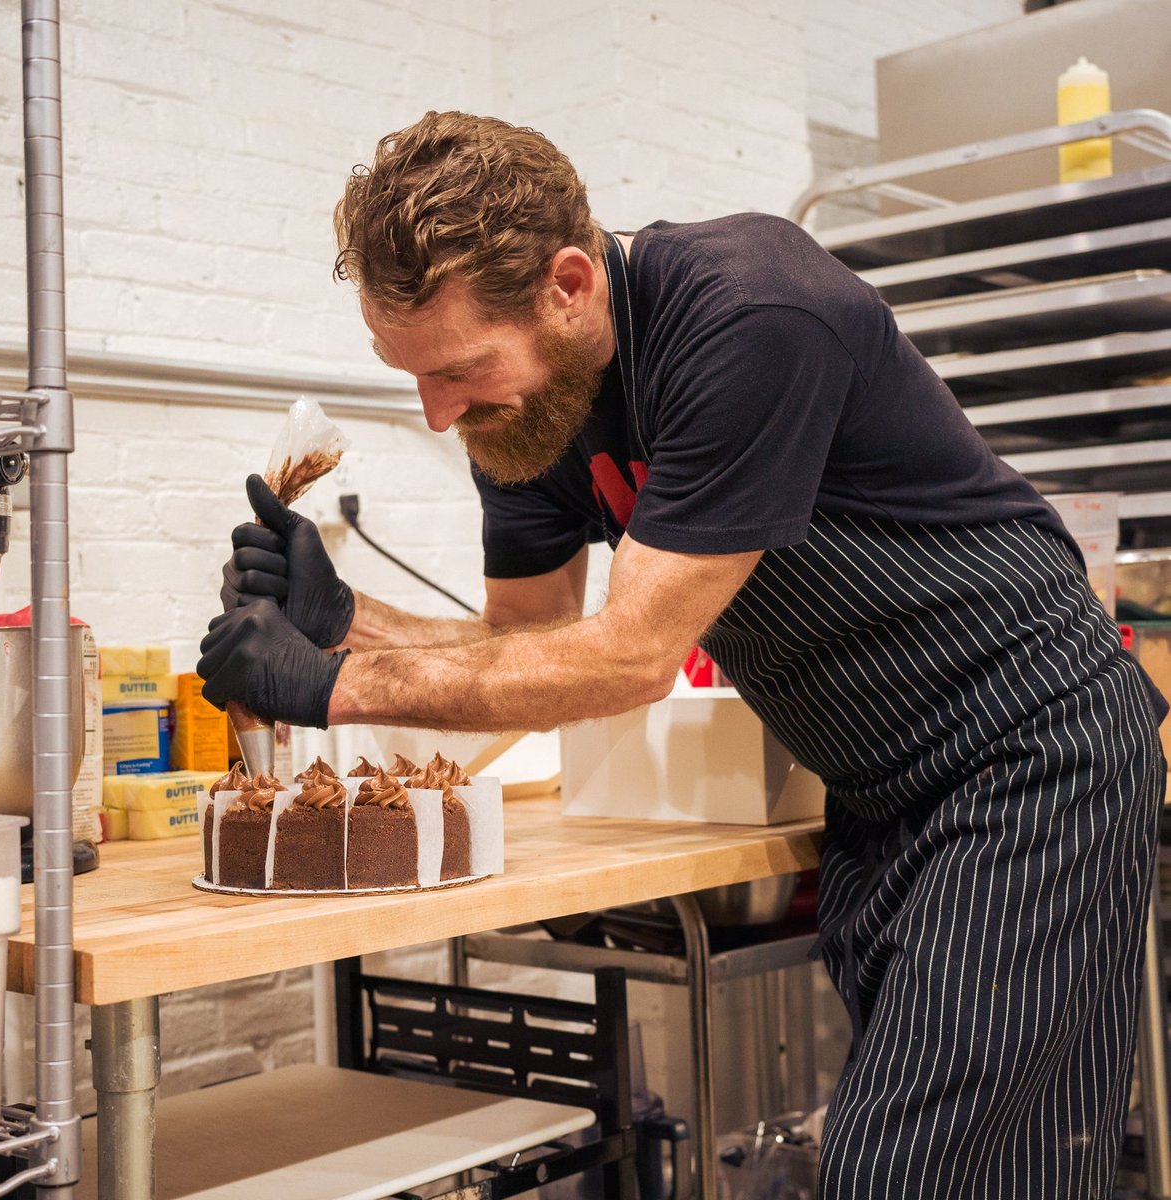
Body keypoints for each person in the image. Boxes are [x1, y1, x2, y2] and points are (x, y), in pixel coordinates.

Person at [197, 110, 1167, 1197]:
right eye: (412, 374)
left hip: (1032, 750)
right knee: (997, 1172)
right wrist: (348, 619)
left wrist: (331, 685)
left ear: (569, 284)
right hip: (880, 787)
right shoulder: (523, 412)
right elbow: (529, 643)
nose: (437, 411)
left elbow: (629, 657)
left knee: (912, 1173)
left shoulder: (749, 313)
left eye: (457, 368)